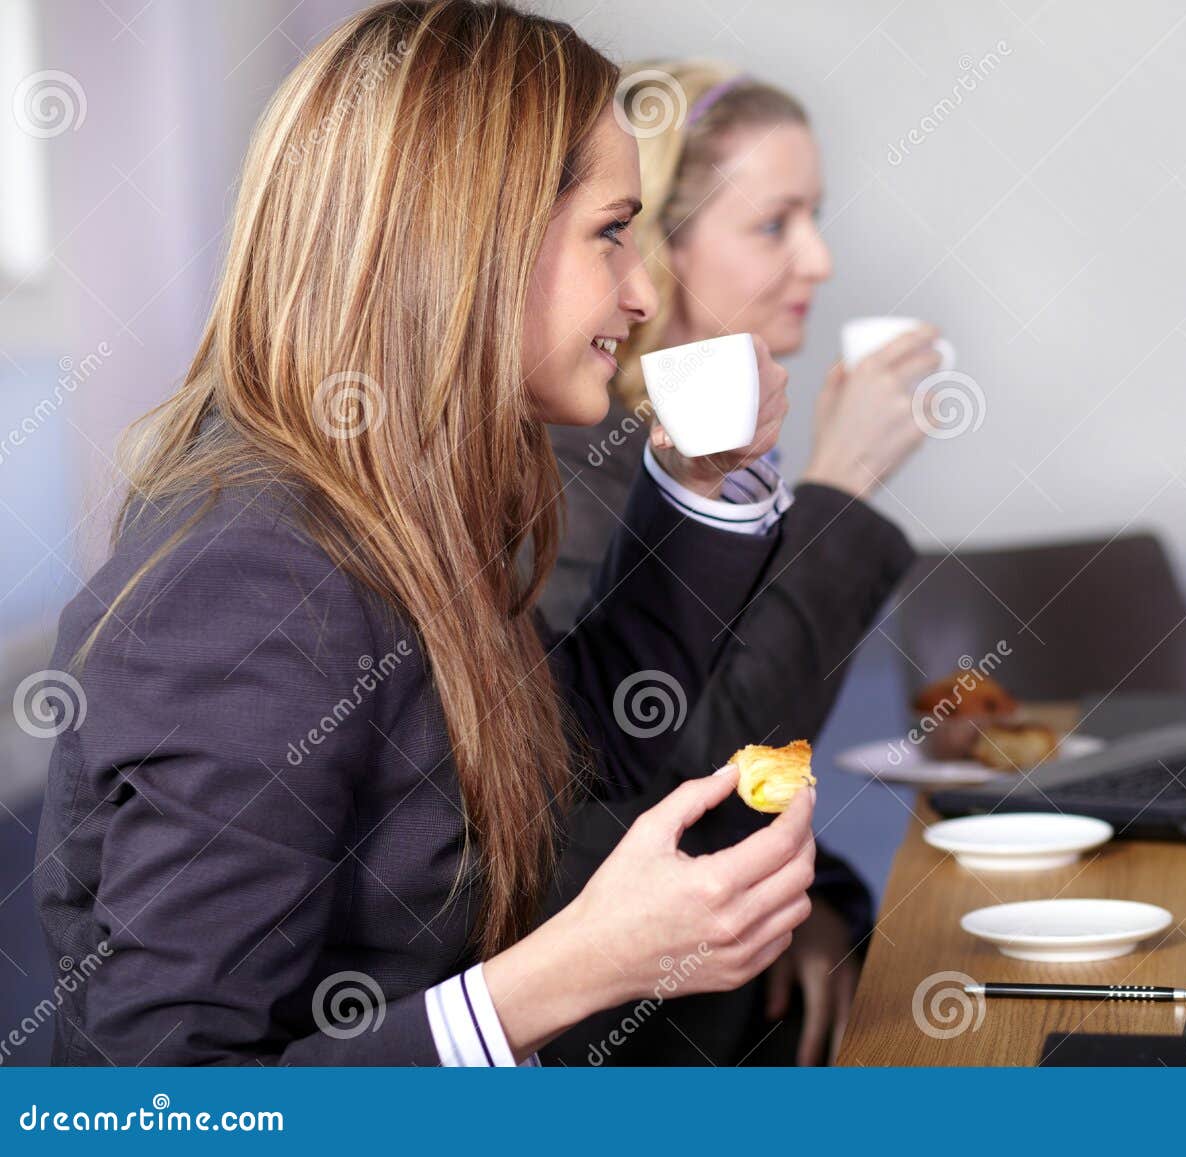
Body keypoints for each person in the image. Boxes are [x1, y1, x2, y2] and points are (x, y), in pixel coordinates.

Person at [32, 0, 817, 1067]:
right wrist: (565, 973)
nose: (643, 292)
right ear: (470, 240)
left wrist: (702, 478)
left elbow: (575, 742)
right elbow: (161, 1103)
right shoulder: (253, 579)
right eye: (613, 232)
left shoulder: (399, 503)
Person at [537, 62, 945, 1066]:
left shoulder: (695, 467)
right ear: (656, 252)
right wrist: (840, 487)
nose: (817, 258)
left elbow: (744, 769)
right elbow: (676, 767)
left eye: (814, 217)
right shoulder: (567, 478)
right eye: (774, 224)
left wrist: (818, 899)